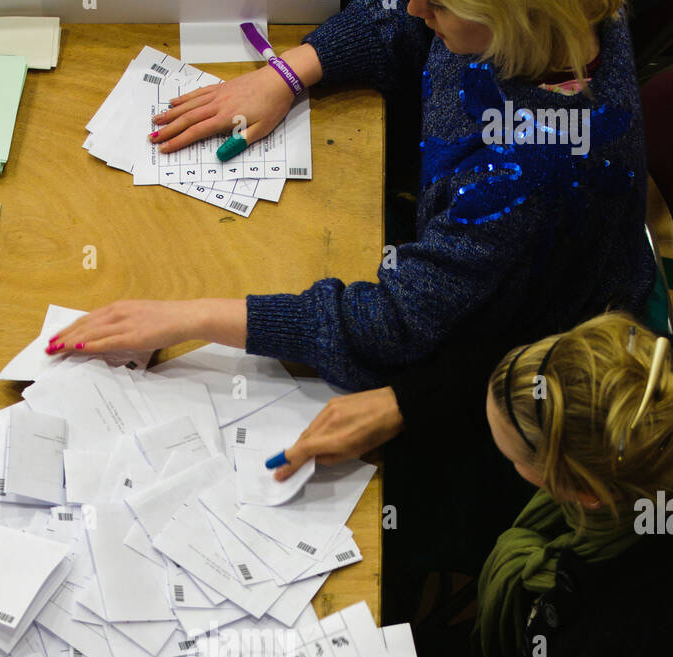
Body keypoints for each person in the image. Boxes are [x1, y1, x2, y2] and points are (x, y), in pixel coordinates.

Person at [48, 0, 659, 389]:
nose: (416, 5)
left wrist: (185, 317)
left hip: (519, 369)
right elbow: (400, 19)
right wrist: (287, 72)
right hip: (461, 261)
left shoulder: (530, 171)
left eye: (440, 3)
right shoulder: (561, 19)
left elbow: (390, 324)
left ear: (517, 19)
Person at [267, 313, 673, 657]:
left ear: (582, 493)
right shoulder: (634, 475)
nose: (502, 462)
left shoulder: (639, 642)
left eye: (512, 459)